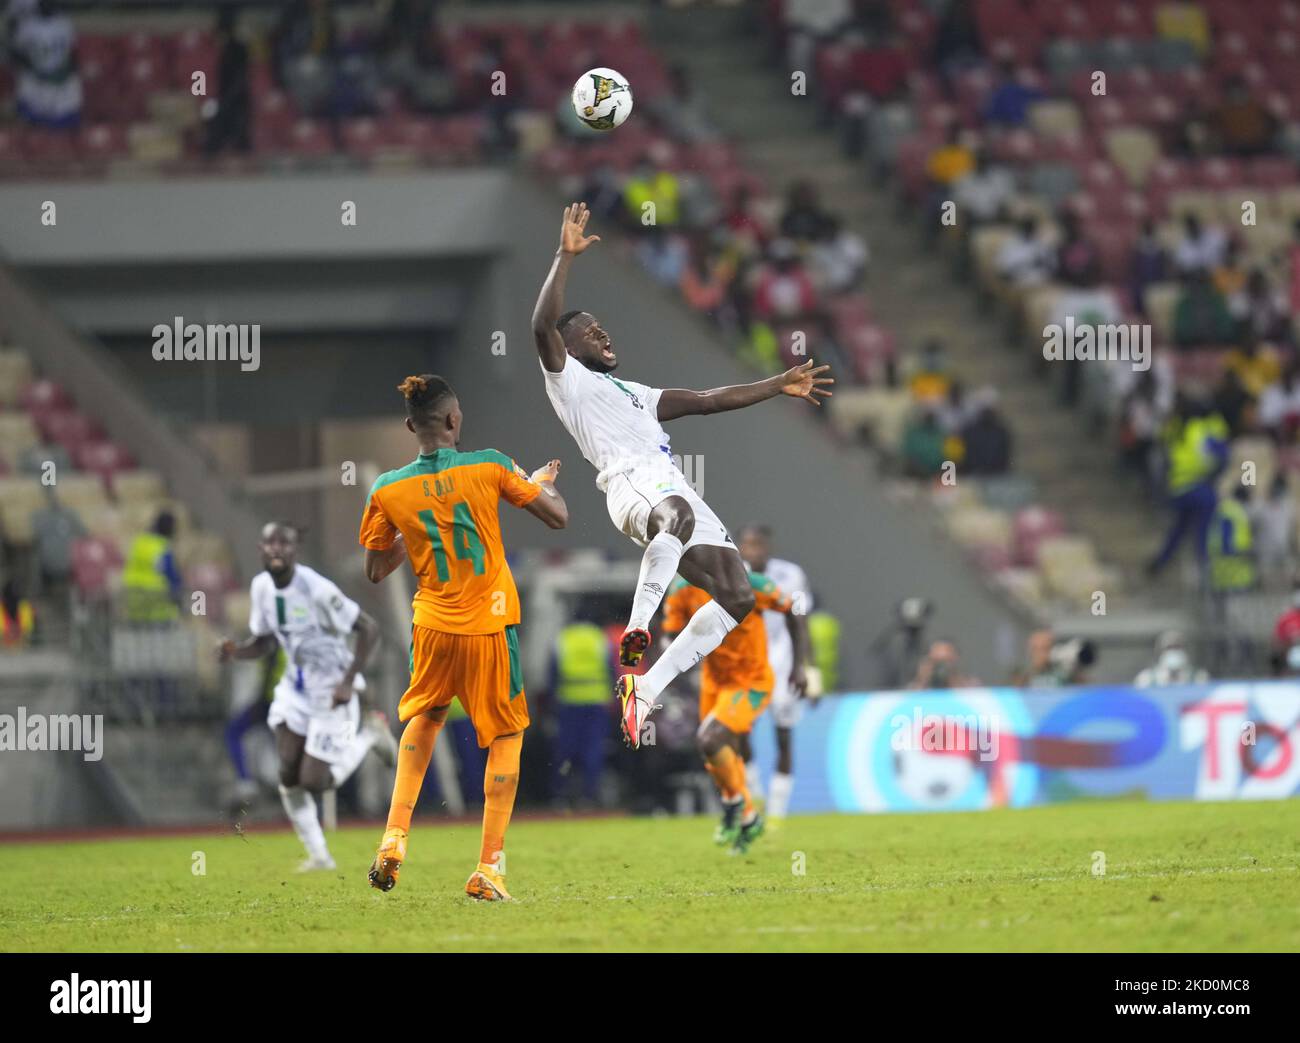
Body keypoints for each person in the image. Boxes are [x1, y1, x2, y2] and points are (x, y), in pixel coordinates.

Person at [530, 202, 833, 749]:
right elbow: (540, 325)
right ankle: (638, 625)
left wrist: (777, 384)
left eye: (602, 329)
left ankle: (645, 687)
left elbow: (704, 401)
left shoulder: (634, 393)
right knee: (679, 513)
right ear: (570, 348)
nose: (604, 335)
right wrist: (564, 255)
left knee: (738, 596)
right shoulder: (568, 380)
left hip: (668, 482)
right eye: (591, 332)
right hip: (631, 482)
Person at [360, 375, 568, 902]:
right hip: (489, 625)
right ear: (454, 420)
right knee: (505, 736)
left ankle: (393, 840)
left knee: (424, 720)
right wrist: (539, 481)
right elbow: (558, 517)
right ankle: (488, 867)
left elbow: (376, 569)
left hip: (431, 625)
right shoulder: (491, 464)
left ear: (411, 427)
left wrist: (416, 529)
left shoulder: (386, 488)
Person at [217, 521, 390, 871]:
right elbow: (265, 642)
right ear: (261, 550)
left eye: (284, 543)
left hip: (332, 690)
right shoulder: (262, 588)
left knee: (315, 781)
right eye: (269, 543)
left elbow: (369, 629)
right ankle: (320, 856)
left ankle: (370, 734)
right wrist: (236, 650)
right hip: (295, 691)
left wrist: (348, 681)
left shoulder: (317, 590)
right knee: (288, 775)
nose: (276, 549)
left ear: (295, 550)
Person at [660, 568, 797, 853]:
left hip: (752, 682)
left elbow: (794, 608)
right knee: (715, 751)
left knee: (711, 739)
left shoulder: (753, 584)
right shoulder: (681, 589)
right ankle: (748, 816)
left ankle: (734, 805)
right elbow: (669, 635)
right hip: (713, 683)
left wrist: (800, 664)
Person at [736, 524, 813, 825]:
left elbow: (802, 618)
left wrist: (805, 667)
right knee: (739, 728)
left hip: (782, 662)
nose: (752, 550)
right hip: (746, 663)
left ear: (767, 547)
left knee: (783, 735)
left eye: (758, 545)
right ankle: (755, 794)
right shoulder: (732, 571)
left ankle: (778, 811)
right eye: (747, 544)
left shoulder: (791, 574)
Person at [1147, 396, 1229, 578]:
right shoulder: (1200, 430)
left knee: (1180, 527)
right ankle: (1204, 563)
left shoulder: (1173, 428)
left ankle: (1161, 561)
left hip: (1176, 488)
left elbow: (1160, 441)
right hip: (1196, 487)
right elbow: (1222, 454)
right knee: (1205, 522)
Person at [549, 613, 613, 807]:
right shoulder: (599, 637)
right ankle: (589, 795)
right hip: (596, 703)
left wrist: (552, 702)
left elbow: (552, 674)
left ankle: (560, 795)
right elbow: (611, 670)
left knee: (565, 750)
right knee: (593, 749)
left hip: (569, 703)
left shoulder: (563, 639)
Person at [122, 510, 183, 624]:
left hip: (133, 602)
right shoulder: (162, 547)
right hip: (156, 605)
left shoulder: (139, 542)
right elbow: (172, 577)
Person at [1134, 631, 1209, 686]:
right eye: (1169, 648)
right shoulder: (1146, 678)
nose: (1173, 652)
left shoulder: (1199, 677)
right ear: (1160, 652)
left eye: (1177, 647)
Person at [907, 639, 979, 689]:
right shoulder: (918, 687)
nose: (941, 668)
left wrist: (953, 679)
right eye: (936, 661)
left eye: (946, 660)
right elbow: (908, 703)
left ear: (955, 658)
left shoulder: (970, 685)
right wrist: (922, 680)